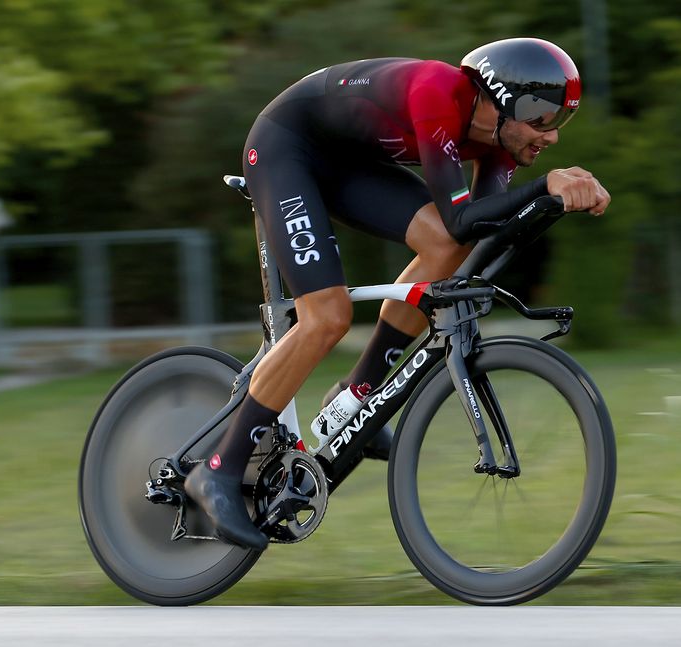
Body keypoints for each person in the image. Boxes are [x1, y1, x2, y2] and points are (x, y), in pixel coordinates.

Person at [184, 37, 611, 550]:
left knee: (445, 246)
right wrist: (548, 188)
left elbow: (480, 227)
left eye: (558, 124)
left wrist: (554, 204)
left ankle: (353, 398)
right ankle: (218, 471)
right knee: (327, 316)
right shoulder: (437, 91)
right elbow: (461, 214)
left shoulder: (499, 140)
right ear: (500, 99)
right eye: (542, 120)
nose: (552, 138)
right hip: (285, 148)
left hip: (343, 162)